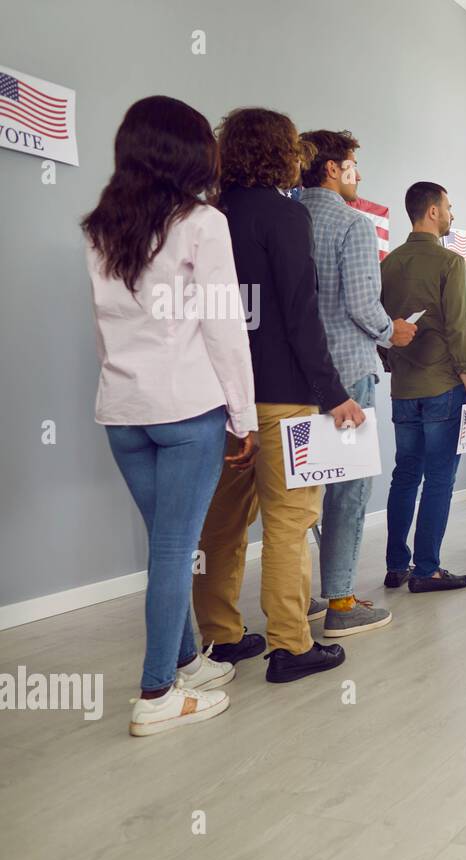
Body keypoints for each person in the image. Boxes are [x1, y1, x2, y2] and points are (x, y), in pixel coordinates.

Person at [83, 96, 255, 733]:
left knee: (166, 546)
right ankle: (157, 695)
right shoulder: (203, 222)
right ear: (189, 152)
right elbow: (224, 326)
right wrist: (245, 416)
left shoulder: (100, 226)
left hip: (123, 412)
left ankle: (186, 659)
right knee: (176, 551)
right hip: (186, 410)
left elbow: (103, 329)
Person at [192, 107, 364, 685]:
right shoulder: (286, 216)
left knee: (221, 523)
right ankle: (291, 645)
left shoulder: (206, 214)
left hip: (219, 399)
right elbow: (299, 313)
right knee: (291, 521)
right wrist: (334, 391)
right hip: (283, 394)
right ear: (280, 152)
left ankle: (221, 636)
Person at [299, 130, 416, 633]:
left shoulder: (286, 218)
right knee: (349, 488)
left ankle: (298, 597)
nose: (358, 175)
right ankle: (342, 603)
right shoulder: (352, 224)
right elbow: (362, 306)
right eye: (352, 166)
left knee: (300, 490)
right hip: (347, 373)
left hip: (291, 377)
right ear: (331, 168)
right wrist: (395, 332)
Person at [379, 181, 466, 591]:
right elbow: (460, 328)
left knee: (405, 474)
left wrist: (392, 362)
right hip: (443, 386)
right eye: (448, 207)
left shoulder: (388, 264)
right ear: (432, 212)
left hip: (403, 389)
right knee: (440, 479)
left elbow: (379, 326)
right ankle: (426, 570)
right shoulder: (450, 262)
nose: (451, 214)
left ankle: (396, 566)